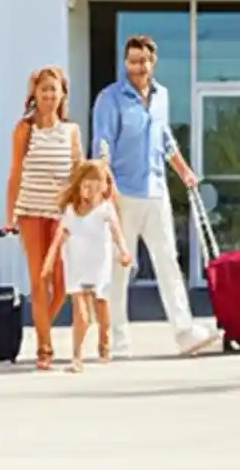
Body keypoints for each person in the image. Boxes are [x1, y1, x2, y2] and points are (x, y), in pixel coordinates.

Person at [92, 34, 220, 357]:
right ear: (125, 62)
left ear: (153, 62)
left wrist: (185, 171)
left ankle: (185, 331)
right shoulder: (110, 98)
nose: (139, 67)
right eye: (133, 61)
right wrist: (104, 178)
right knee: (121, 268)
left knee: (168, 262)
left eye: (144, 61)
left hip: (156, 191)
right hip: (122, 194)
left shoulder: (161, 96)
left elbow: (165, 140)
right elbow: (102, 142)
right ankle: (118, 340)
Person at [5, 65, 84, 371]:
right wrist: (9, 216)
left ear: (63, 94)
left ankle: (42, 329)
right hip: (30, 212)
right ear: (35, 95)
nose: (49, 95)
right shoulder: (25, 130)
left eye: (54, 89)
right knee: (40, 279)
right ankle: (44, 348)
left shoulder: (71, 131)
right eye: (44, 89)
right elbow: (15, 174)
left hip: (61, 214)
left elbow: (78, 173)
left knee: (63, 283)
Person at [42, 159, 133, 373]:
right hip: (75, 264)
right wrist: (48, 262)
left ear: (104, 187)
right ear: (79, 186)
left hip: (98, 264)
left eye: (95, 185)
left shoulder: (105, 209)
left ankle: (105, 339)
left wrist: (124, 251)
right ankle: (77, 357)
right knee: (80, 310)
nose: (89, 191)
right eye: (85, 185)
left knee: (101, 304)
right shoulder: (71, 211)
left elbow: (116, 232)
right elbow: (60, 237)